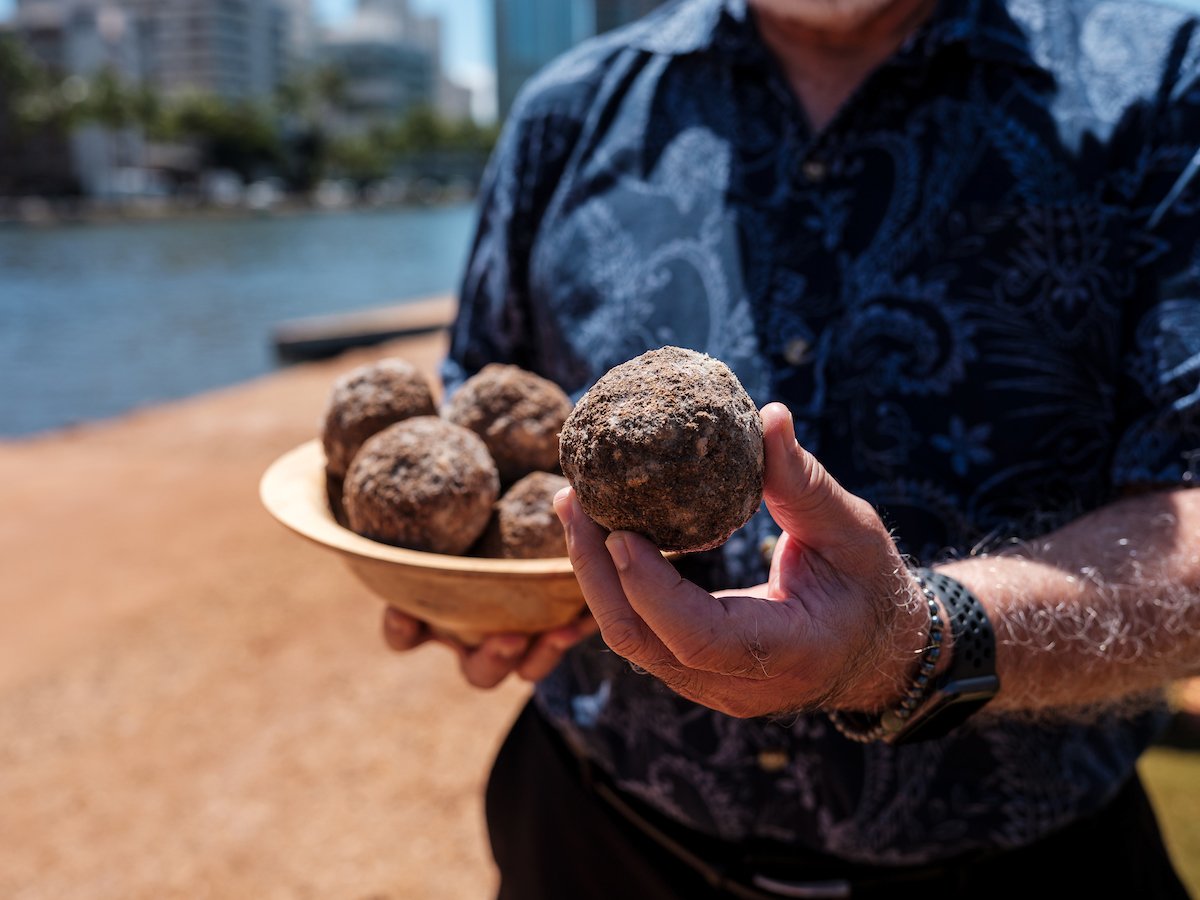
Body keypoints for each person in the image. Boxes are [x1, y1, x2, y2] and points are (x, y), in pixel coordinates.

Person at [382, 0, 1200, 896]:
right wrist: (470, 589)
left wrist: (918, 642)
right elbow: (481, 432)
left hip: (1031, 870)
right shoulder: (569, 110)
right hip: (593, 837)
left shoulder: (1162, 77)